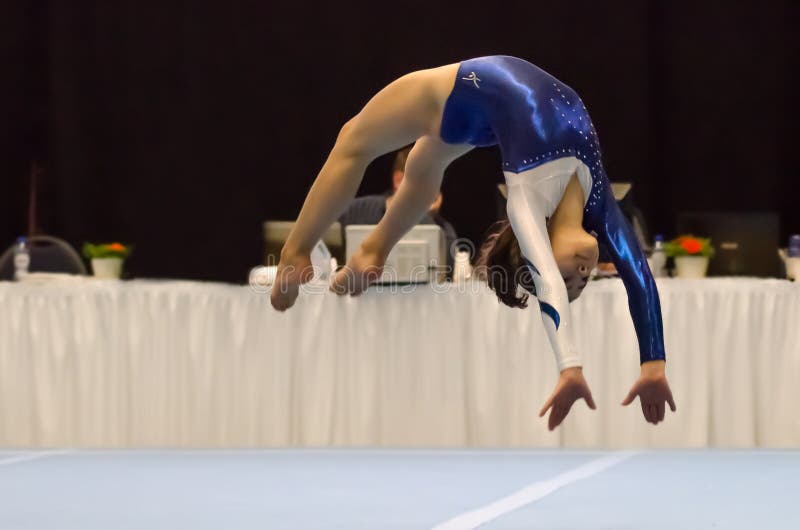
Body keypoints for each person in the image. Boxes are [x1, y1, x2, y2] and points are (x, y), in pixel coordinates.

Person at [271, 55, 675, 430]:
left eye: (568, 279)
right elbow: (639, 276)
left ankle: (296, 253)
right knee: (423, 166)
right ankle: (372, 253)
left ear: (542, 260)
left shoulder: (527, 201)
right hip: (484, 113)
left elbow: (547, 286)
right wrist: (653, 363)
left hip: (464, 89)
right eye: (581, 284)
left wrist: (569, 366)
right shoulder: (600, 203)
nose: (581, 276)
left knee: (354, 141)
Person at [338, 145, 458, 267]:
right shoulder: (359, 210)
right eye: (425, 180)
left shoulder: (442, 228)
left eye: (436, 181)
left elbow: (445, 272)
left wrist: (425, 217)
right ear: (398, 180)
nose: (432, 190)